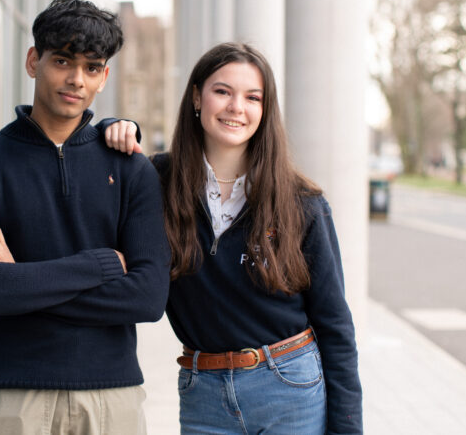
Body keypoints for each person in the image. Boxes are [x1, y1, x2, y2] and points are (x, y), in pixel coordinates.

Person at [104, 42, 363, 434]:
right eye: (222, 91)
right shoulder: (156, 183)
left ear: (265, 109)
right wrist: (109, 130)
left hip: (289, 387)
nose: (236, 107)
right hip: (202, 392)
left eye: (252, 97)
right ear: (196, 96)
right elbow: (94, 201)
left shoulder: (302, 203)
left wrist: (348, 429)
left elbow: (335, 325)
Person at [0, 0, 170, 435]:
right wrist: (100, 265)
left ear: (104, 77)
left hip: (110, 397)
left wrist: (18, 278)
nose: (75, 79)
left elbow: (147, 297)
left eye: (90, 67)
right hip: (14, 394)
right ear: (33, 61)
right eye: (62, 60)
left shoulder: (130, 168)